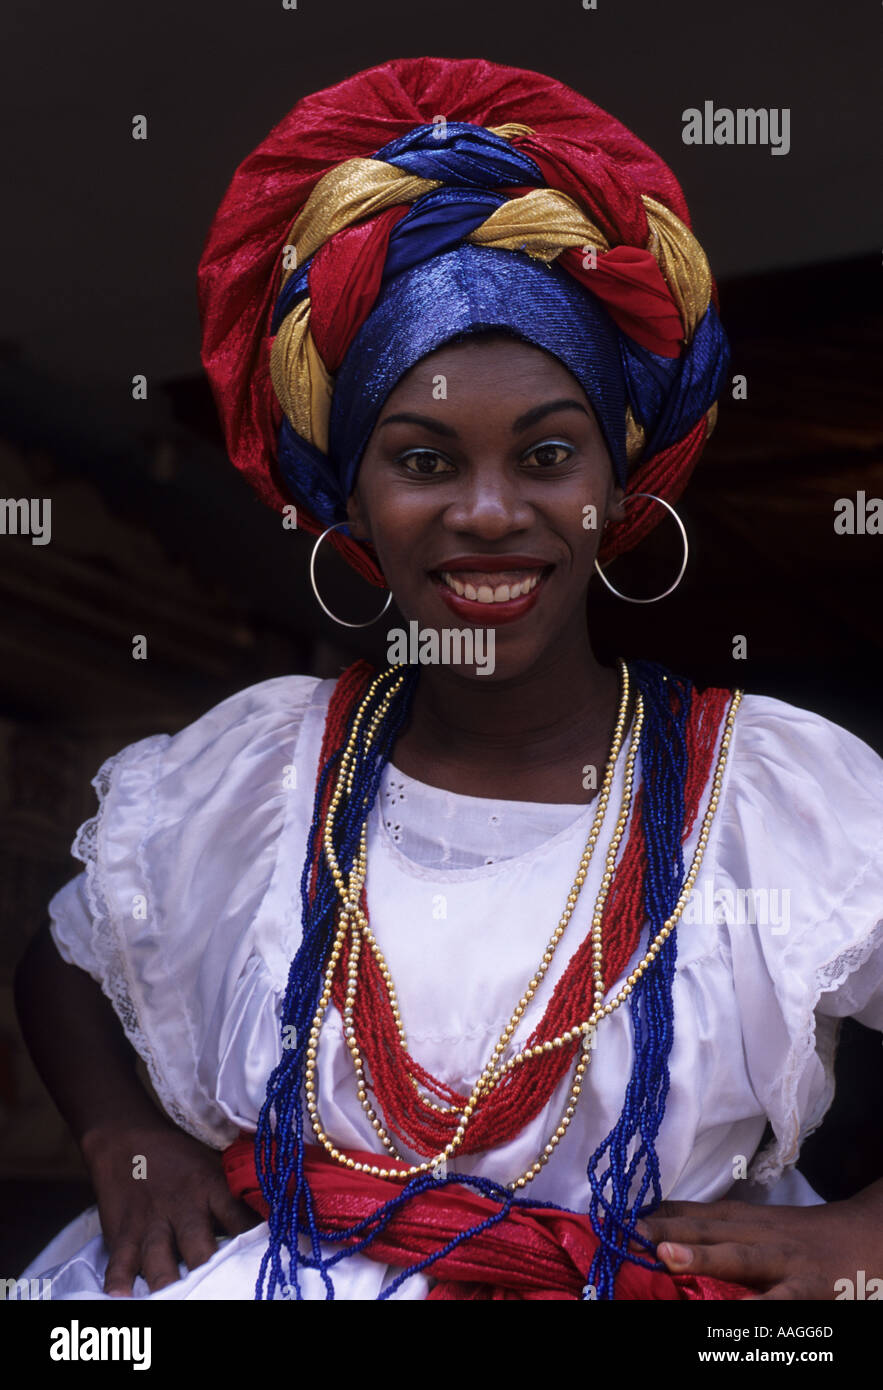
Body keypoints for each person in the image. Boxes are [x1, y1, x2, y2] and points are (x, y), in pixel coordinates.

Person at [14, 56, 883, 1301]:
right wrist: (121, 1137)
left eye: (544, 452)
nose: (487, 511)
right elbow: (66, 958)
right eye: (423, 460)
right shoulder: (258, 771)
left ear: (613, 489)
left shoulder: (761, 797)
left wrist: (867, 1236)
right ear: (353, 505)